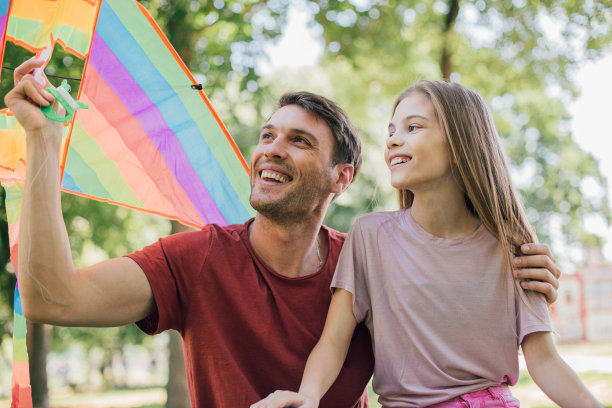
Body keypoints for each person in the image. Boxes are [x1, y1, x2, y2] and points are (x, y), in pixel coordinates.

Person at [6, 59, 560, 408]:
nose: (270, 147)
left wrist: (527, 270)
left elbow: (459, 302)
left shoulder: (373, 260)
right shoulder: (197, 258)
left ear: (341, 177)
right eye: (268, 135)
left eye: (299, 141)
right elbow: (52, 297)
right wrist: (44, 142)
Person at [251, 81, 601, 408]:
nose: (392, 141)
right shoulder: (370, 236)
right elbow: (333, 341)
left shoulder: (513, 245)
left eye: (412, 128)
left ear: (462, 143)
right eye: (391, 131)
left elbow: (544, 359)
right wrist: (308, 396)